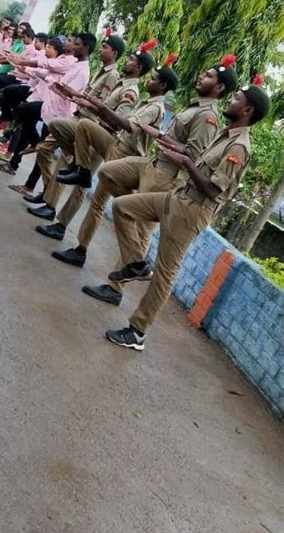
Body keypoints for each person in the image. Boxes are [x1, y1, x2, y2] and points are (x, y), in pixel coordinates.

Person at [97, 78, 270, 349]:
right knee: (122, 207)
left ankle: (137, 331)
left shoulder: (239, 146)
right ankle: (136, 264)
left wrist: (186, 162)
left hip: (193, 210)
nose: (232, 101)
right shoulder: (226, 134)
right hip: (176, 198)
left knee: (166, 271)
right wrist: (172, 146)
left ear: (247, 111)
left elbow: (215, 189)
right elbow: (196, 158)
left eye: (237, 99)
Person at [51, 54, 239, 274]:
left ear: (219, 87)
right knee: (107, 189)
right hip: (148, 162)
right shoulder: (193, 107)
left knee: (139, 228)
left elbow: (193, 155)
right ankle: (81, 246)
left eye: (208, 76)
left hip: (164, 174)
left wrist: (159, 137)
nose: (201, 76)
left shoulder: (208, 117)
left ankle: (116, 285)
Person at [35, 60, 178, 247]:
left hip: (122, 151)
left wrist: (99, 107)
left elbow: (124, 124)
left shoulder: (151, 105)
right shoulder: (145, 101)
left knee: (97, 202)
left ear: (163, 85)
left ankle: (77, 245)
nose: (148, 81)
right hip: (114, 144)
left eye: (153, 79)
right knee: (74, 142)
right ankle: (78, 172)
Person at [26, 40, 155, 219]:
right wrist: (78, 97)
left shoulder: (122, 84)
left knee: (81, 184)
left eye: (105, 47)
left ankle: (60, 221)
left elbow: (115, 117)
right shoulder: (112, 77)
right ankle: (50, 198)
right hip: (84, 123)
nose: (101, 50)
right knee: (62, 159)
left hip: (98, 131)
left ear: (139, 67)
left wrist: (89, 104)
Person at [0, 34, 90, 176]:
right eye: (71, 41)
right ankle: (18, 158)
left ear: (86, 47)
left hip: (58, 113)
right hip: (48, 104)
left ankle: (30, 185)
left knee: (44, 152)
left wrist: (26, 65)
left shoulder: (76, 67)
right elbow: (44, 69)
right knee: (24, 116)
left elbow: (68, 92)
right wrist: (23, 64)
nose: (71, 45)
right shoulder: (73, 62)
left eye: (74, 43)